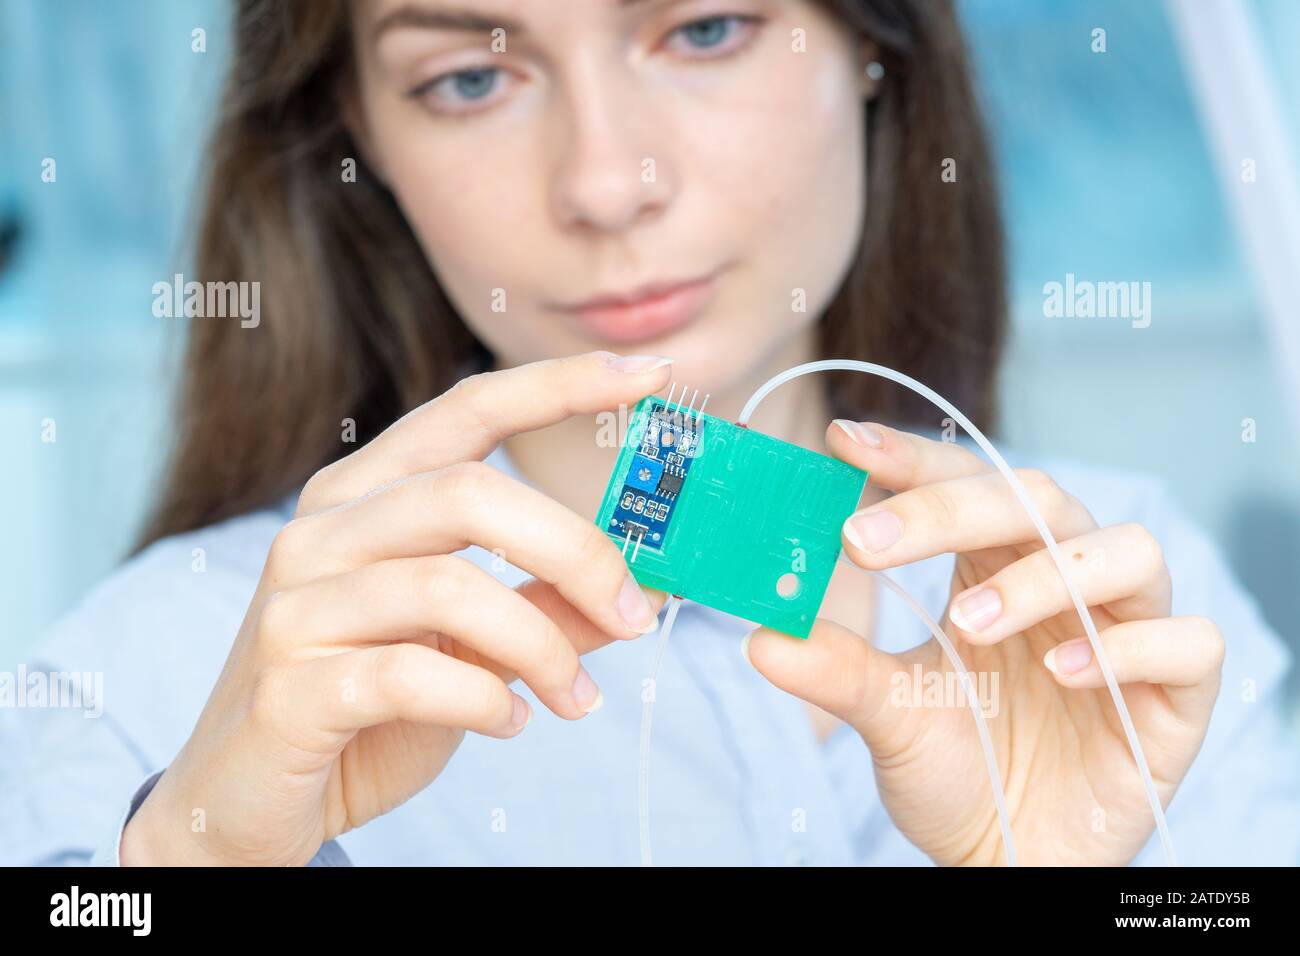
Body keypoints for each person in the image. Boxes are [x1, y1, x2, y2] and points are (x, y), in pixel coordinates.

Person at [3, 0, 1297, 867]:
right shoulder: (157, 666)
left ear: (871, 45)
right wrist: (185, 860)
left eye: (707, 28)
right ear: (361, 134)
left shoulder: (1123, 607)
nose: (607, 183)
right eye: (469, 78)